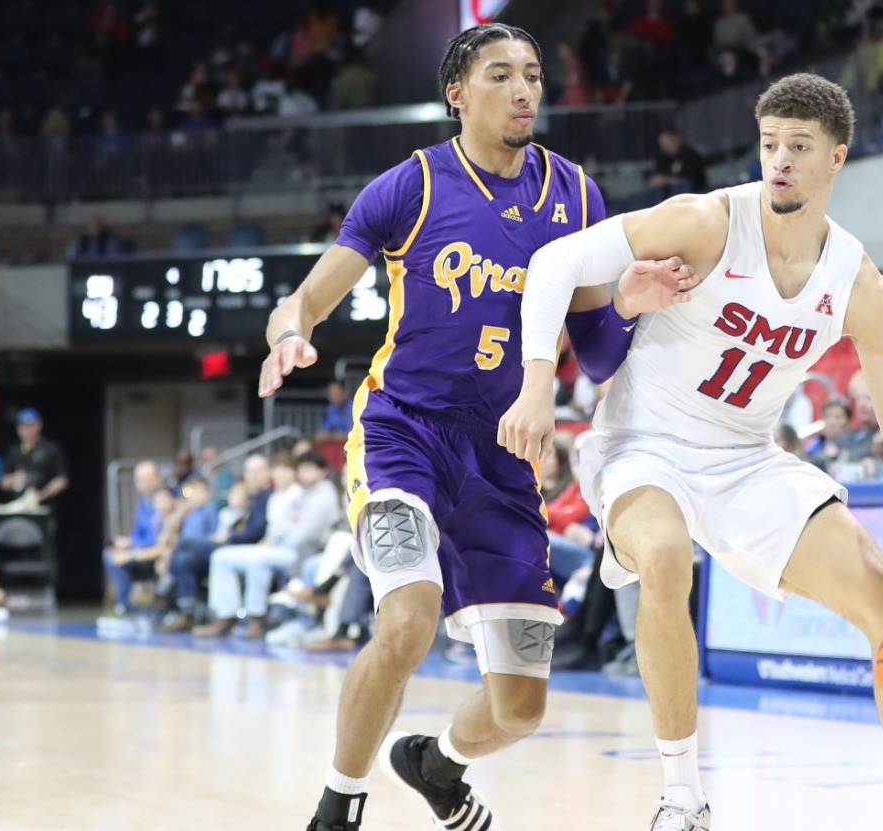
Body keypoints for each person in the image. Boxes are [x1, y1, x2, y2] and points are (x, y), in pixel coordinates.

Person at [500, 73, 883, 831]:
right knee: (664, 558)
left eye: (800, 147)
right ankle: (682, 797)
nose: (780, 160)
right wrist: (536, 384)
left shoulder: (859, 284)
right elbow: (556, 263)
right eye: (770, 144)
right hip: (643, 445)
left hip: (748, 458)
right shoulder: (706, 222)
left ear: (837, 157)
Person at [256, 24, 689, 831]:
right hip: (404, 434)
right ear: (457, 93)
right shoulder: (412, 186)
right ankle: (337, 806)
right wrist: (290, 334)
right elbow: (307, 298)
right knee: (407, 620)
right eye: (501, 75)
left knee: (520, 707)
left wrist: (628, 303)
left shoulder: (576, 196)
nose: (524, 89)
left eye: (533, 73)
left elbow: (597, 352)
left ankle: (436, 763)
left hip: (505, 457)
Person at [0, 409, 69, 505]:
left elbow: (62, 480)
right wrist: (14, 479)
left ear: (39, 425)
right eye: (22, 426)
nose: (25, 430)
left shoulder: (51, 449)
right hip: (18, 504)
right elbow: (3, 482)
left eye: (29, 426)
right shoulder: (14, 451)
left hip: (43, 505)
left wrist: (41, 495)